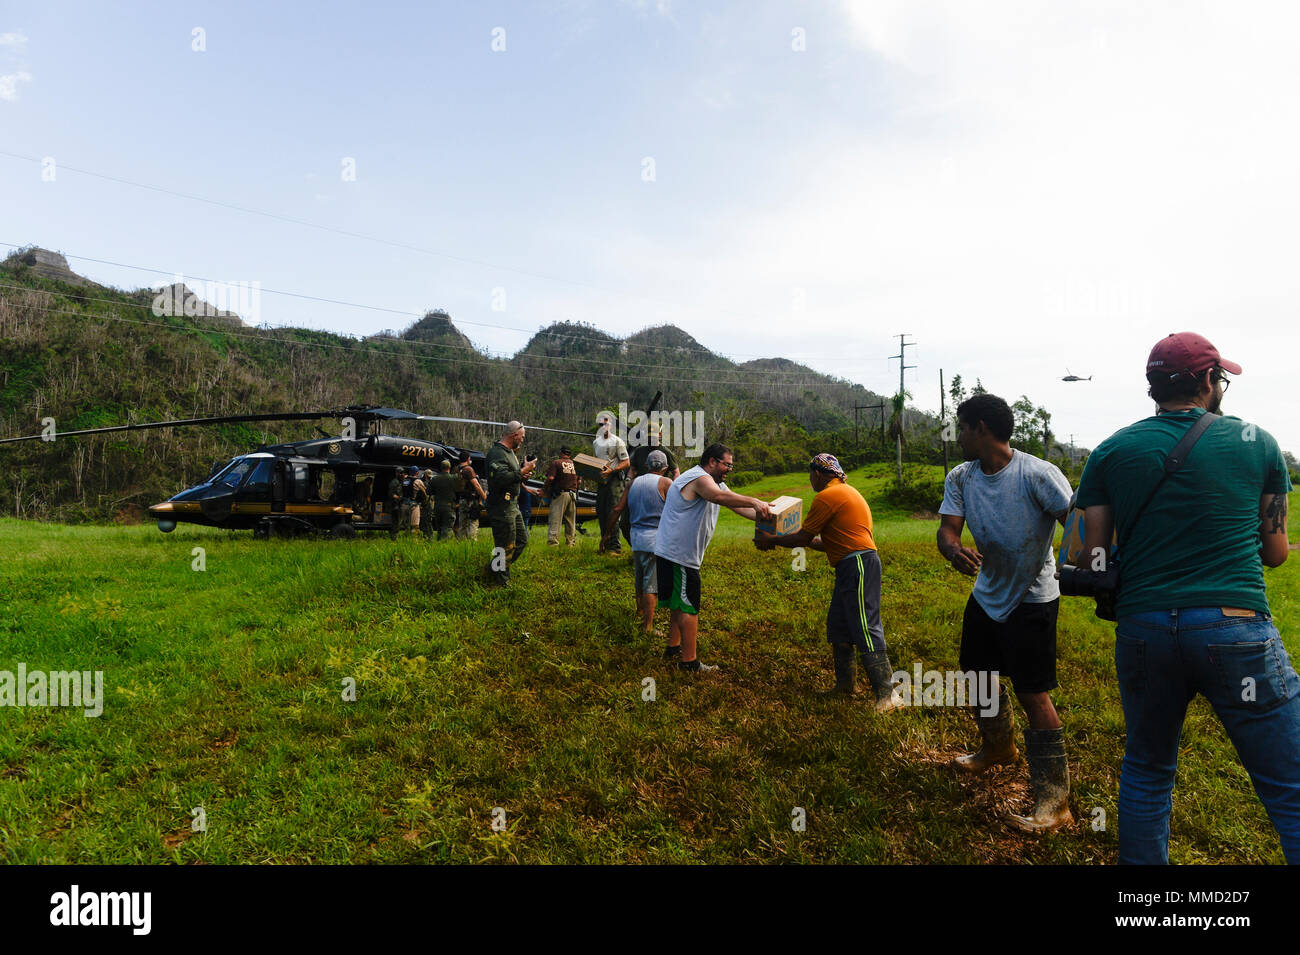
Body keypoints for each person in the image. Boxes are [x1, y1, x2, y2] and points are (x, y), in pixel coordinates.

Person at [1075, 332, 1297, 864]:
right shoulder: (1258, 442)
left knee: (1149, 771)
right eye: (1219, 377)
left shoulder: (1111, 449)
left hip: (1145, 631)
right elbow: (1275, 554)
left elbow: (1088, 558)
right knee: (1290, 784)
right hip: (1236, 627)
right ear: (1205, 381)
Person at [936, 393, 1074, 833]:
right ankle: (997, 748)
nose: (957, 435)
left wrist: (1089, 569)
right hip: (987, 592)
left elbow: (1078, 525)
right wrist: (953, 550)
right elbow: (947, 530)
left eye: (960, 426)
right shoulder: (961, 476)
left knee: (1033, 692)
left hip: (1033, 598)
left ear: (979, 428)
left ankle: (1055, 803)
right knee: (978, 676)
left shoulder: (1037, 474)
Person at [756, 453, 904, 712]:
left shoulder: (827, 496)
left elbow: (802, 537)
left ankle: (888, 694)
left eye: (810, 475)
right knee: (839, 625)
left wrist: (772, 539)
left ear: (817, 474)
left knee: (865, 626)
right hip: (851, 564)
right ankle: (845, 687)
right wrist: (781, 538)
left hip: (858, 564)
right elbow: (826, 542)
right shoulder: (846, 492)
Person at [653, 443, 772, 672]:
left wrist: (769, 518)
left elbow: (739, 508)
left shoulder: (715, 482)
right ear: (712, 462)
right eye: (727, 464)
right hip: (679, 555)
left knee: (679, 601)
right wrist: (755, 501)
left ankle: (673, 646)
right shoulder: (699, 478)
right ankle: (689, 662)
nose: (729, 469)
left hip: (673, 552)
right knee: (689, 605)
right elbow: (716, 496)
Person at [607, 449, 674, 634]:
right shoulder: (666, 483)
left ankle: (639, 612)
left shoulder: (633, 483)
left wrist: (606, 535)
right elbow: (677, 511)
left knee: (640, 578)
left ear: (646, 466)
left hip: (637, 539)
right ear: (666, 467)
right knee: (651, 585)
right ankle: (648, 626)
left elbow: (618, 508)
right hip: (656, 540)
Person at [483, 421, 537, 585]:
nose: (522, 440)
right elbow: (500, 478)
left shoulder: (510, 453)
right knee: (505, 545)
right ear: (514, 435)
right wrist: (522, 471)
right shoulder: (497, 453)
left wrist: (522, 475)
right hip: (501, 505)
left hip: (512, 506)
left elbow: (511, 475)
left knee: (522, 540)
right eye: (521, 437)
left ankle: (493, 569)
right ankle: (500, 581)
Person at [594, 412, 631, 554]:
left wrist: (611, 470)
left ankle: (614, 547)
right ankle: (604, 544)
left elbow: (626, 462)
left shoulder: (617, 441)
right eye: (601, 424)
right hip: (601, 481)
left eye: (607, 423)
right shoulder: (596, 443)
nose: (604, 426)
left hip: (615, 481)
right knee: (601, 511)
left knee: (613, 512)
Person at [545, 447, 580, 546]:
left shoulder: (556, 463)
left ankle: (553, 544)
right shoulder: (575, 464)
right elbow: (579, 480)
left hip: (560, 494)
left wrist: (545, 489)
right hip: (573, 494)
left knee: (555, 519)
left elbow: (551, 478)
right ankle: (570, 543)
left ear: (560, 453)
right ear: (570, 454)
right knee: (570, 521)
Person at [456, 450, 487, 540]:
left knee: (462, 524)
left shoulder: (456, 469)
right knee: (473, 523)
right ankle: (472, 544)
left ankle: (461, 545)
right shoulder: (468, 469)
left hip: (462, 500)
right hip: (471, 501)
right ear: (468, 459)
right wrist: (484, 498)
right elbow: (476, 485)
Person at [428, 459, 459, 541]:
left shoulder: (434, 479)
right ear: (449, 467)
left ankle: (438, 546)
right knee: (447, 529)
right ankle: (443, 546)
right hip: (449, 507)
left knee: (439, 529)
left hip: (437, 506)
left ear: (441, 467)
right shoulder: (454, 478)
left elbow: (428, 492)